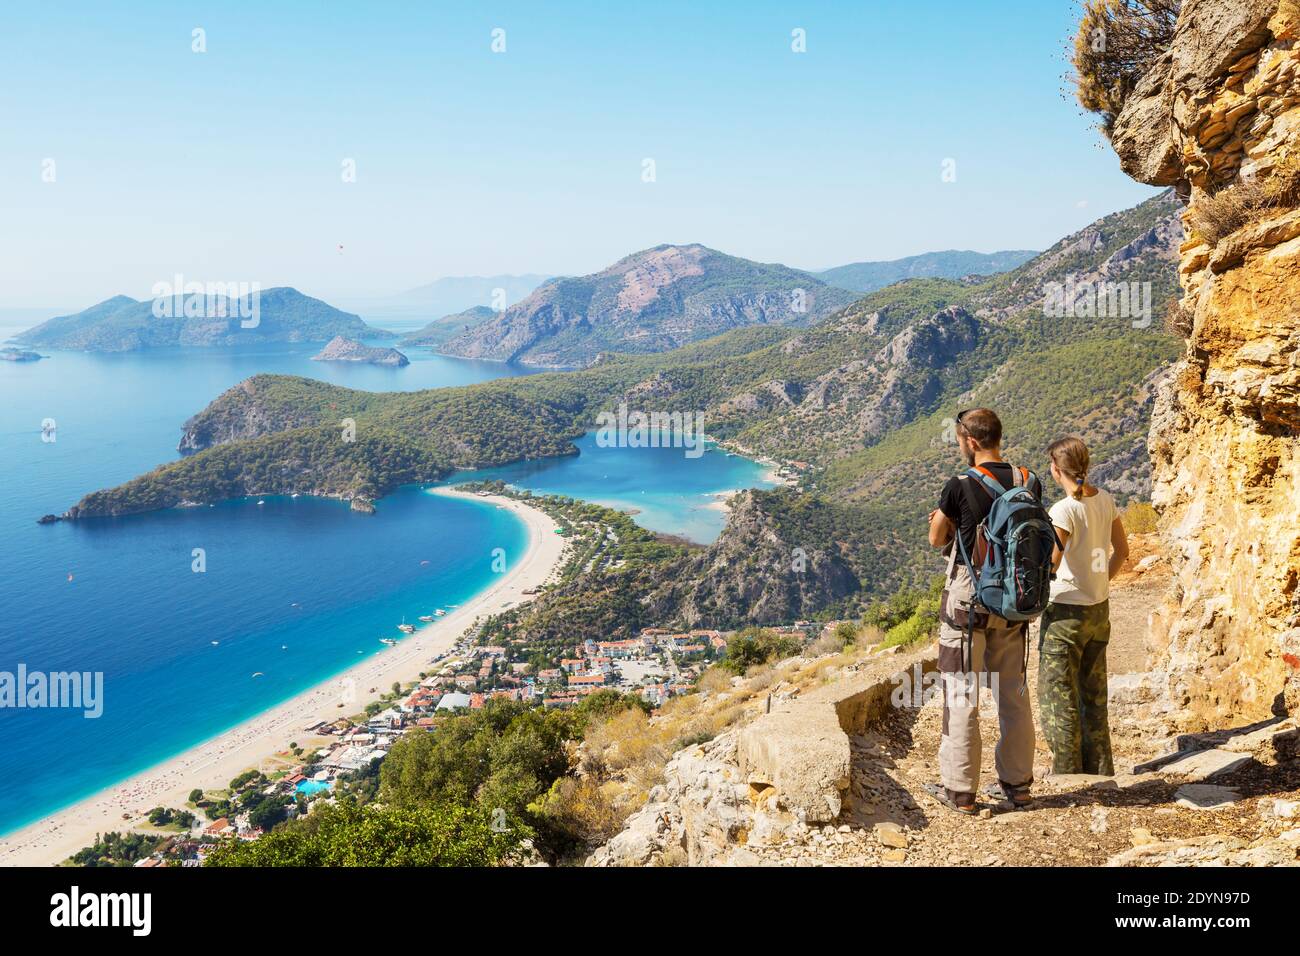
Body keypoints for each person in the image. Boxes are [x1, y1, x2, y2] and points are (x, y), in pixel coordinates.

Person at [925, 408, 1037, 814]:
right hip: (1013, 603)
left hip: (968, 604)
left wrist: (943, 517)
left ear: (970, 441)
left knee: (961, 693)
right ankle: (1019, 785)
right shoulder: (1029, 480)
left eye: (959, 440)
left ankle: (960, 791)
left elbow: (937, 538)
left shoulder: (959, 484)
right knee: (1014, 694)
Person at [1038, 436, 1128, 776]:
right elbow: (1122, 551)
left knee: (1058, 695)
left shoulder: (1063, 510)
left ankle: (1066, 774)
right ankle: (1101, 770)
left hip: (1066, 613)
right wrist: (1101, 582)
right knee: (1094, 695)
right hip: (1098, 610)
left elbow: (1052, 564)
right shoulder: (1105, 500)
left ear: (1056, 470)